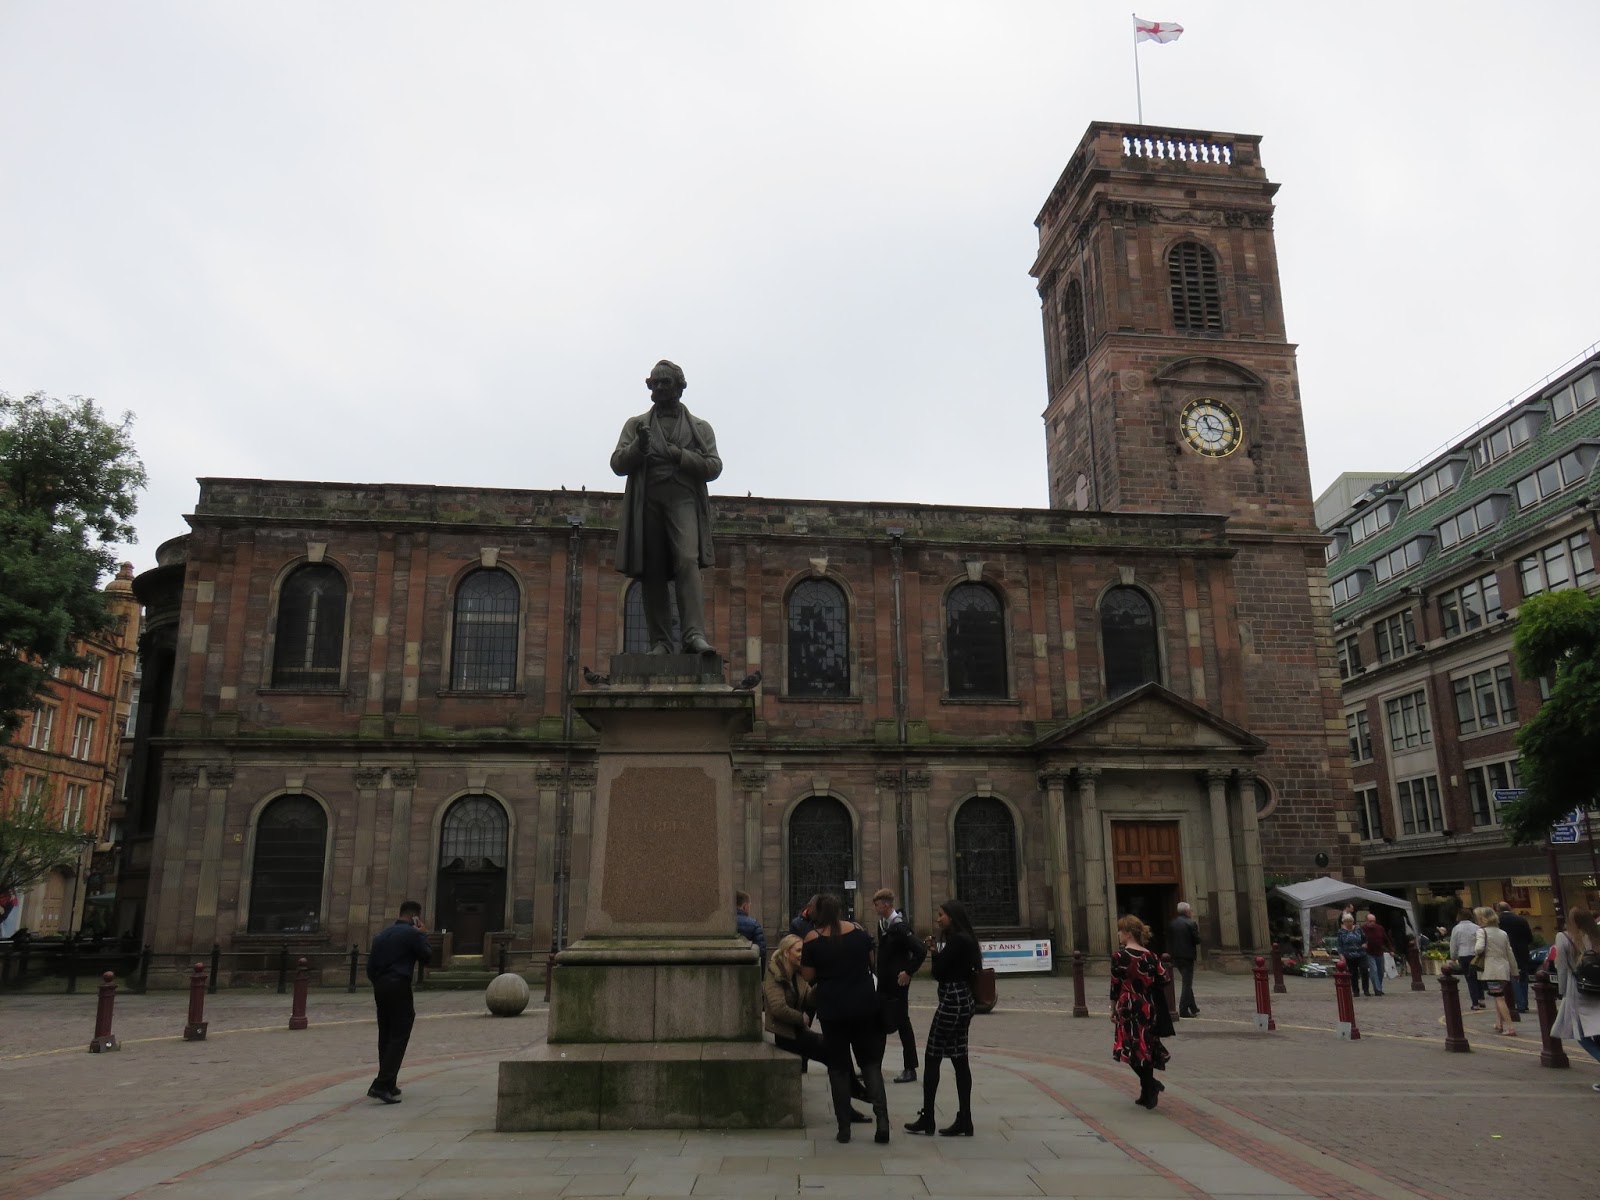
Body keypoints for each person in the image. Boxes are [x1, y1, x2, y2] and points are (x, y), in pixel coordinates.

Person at [609, 359, 722, 656]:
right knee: (653, 570)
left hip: (683, 499)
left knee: (687, 560)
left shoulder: (700, 428)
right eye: (654, 382)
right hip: (648, 500)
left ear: (679, 387)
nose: (659, 387)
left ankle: (693, 636)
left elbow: (713, 465)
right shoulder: (636, 425)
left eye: (665, 382)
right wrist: (638, 448)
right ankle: (660, 641)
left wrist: (679, 455)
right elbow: (617, 463)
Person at [799, 893, 890, 1144]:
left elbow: (807, 976)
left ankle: (844, 1129)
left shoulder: (813, 939)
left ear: (818, 913)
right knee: (870, 1064)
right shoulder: (860, 933)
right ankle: (882, 1122)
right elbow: (871, 963)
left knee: (838, 1069)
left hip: (833, 1008)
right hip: (863, 1005)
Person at [762, 935, 870, 1122]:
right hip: (785, 1035)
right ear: (787, 952)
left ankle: (849, 1103)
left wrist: (824, 981)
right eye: (798, 950)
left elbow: (809, 998)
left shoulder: (797, 973)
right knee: (836, 1052)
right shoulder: (774, 973)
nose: (802, 954)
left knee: (838, 1051)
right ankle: (851, 1098)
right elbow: (777, 1008)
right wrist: (800, 1017)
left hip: (797, 1033)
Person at [905, 899, 980, 1137]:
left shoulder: (957, 940)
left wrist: (934, 954)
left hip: (952, 1001)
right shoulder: (967, 939)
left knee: (932, 1056)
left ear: (952, 917)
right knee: (960, 1059)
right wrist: (938, 951)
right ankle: (965, 1119)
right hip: (964, 1000)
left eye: (941, 915)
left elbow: (938, 973)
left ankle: (928, 1118)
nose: (938, 919)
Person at [365, 900, 432, 1103]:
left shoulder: (381, 935)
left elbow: (370, 968)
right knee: (399, 1034)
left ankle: (389, 1082)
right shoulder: (412, 934)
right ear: (415, 917)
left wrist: (379, 982)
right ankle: (381, 1084)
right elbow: (427, 957)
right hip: (399, 985)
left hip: (380, 985)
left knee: (385, 1033)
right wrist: (422, 934)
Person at [1109, 914, 1171, 1110]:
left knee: (1128, 1048)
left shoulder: (1119, 957)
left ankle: (1151, 1087)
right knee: (1145, 1048)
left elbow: (1115, 985)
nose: (1118, 934)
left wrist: (1113, 1008)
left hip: (1128, 1004)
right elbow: (1165, 978)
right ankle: (1147, 1093)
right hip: (1147, 1005)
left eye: (1120, 931)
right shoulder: (1151, 956)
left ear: (1127, 934)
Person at [871, 887, 927, 1083]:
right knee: (878, 1023)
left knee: (903, 1024)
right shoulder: (883, 925)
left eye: (877, 905)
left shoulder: (900, 928)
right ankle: (873, 1067)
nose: (875, 908)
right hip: (884, 983)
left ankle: (910, 1068)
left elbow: (921, 950)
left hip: (898, 985)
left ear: (886, 905)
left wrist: (908, 971)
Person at [1549, 907, 1600, 1082]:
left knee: (1582, 1036)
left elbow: (1562, 967)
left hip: (1578, 989)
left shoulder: (1563, 937)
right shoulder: (1596, 935)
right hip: (1598, 989)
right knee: (1598, 1031)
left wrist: (1561, 991)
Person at [1472, 906, 1518, 1035]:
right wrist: (1515, 971)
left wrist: (1475, 946)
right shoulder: (1502, 933)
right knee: (1498, 995)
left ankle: (1510, 1027)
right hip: (1503, 968)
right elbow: (1510, 953)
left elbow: (1478, 949)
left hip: (1491, 969)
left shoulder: (1482, 932)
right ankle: (1499, 1023)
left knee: (1499, 998)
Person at [1494, 901, 1533, 1013]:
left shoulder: (1498, 922)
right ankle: (1524, 1002)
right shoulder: (1521, 920)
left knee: (1512, 978)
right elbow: (1529, 938)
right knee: (1522, 977)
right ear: (1510, 908)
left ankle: (1519, 1003)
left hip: (1505, 953)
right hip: (1522, 952)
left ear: (1498, 910)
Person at [1166, 901, 1201, 1017]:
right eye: (1190, 910)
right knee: (1187, 984)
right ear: (1186, 911)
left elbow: (1169, 940)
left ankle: (1193, 1007)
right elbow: (1197, 940)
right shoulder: (1191, 923)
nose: (1191, 912)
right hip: (1188, 957)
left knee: (1187, 982)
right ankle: (1183, 1010)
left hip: (1176, 956)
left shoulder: (1172, 923)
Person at [1449, 909, 1485, 1010]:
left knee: (1470, 979)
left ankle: (1475, 1002)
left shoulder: (1456, 929)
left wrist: (1453, 957)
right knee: (1478, 977)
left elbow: (1453, 944)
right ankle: (1481, 998)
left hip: (1464, 955)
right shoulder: (1477, 927)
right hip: (1476, 954)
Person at [1336, 914, 1372, 997]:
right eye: (1347, 921)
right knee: (1353, 973)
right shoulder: (1341, 932)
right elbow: (1339, 945)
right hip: (1349, 955)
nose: (1349, 923)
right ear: (1344, 922)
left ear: (1353, 921)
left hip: (1361, 953)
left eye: (1350, 921)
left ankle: (1366, 989)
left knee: (1364, 969)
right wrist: (1341, 955)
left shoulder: (1358, 929)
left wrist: (1365, 944)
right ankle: (1356, 991)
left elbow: (1365, 939)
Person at [1360, 913, 1392, 997]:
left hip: (1379, 952)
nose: (1372, 923)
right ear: (1366, 921)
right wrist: (1362, 945)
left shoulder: (1380, 928)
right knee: (1373, 970)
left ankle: (1379, 987)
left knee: (1380, 971)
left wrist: (1390, 950)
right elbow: (1359, 940)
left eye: (1374, 921)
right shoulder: (1362, 929)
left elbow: (1386, 939)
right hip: (1369, 953)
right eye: (1370, 921)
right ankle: (1377, 989)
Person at [735, 890, 767, 971]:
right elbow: (761, 952)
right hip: (748, 969)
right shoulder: (753, 924)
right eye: (749, 906)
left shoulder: (724, 923)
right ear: (745, 906)